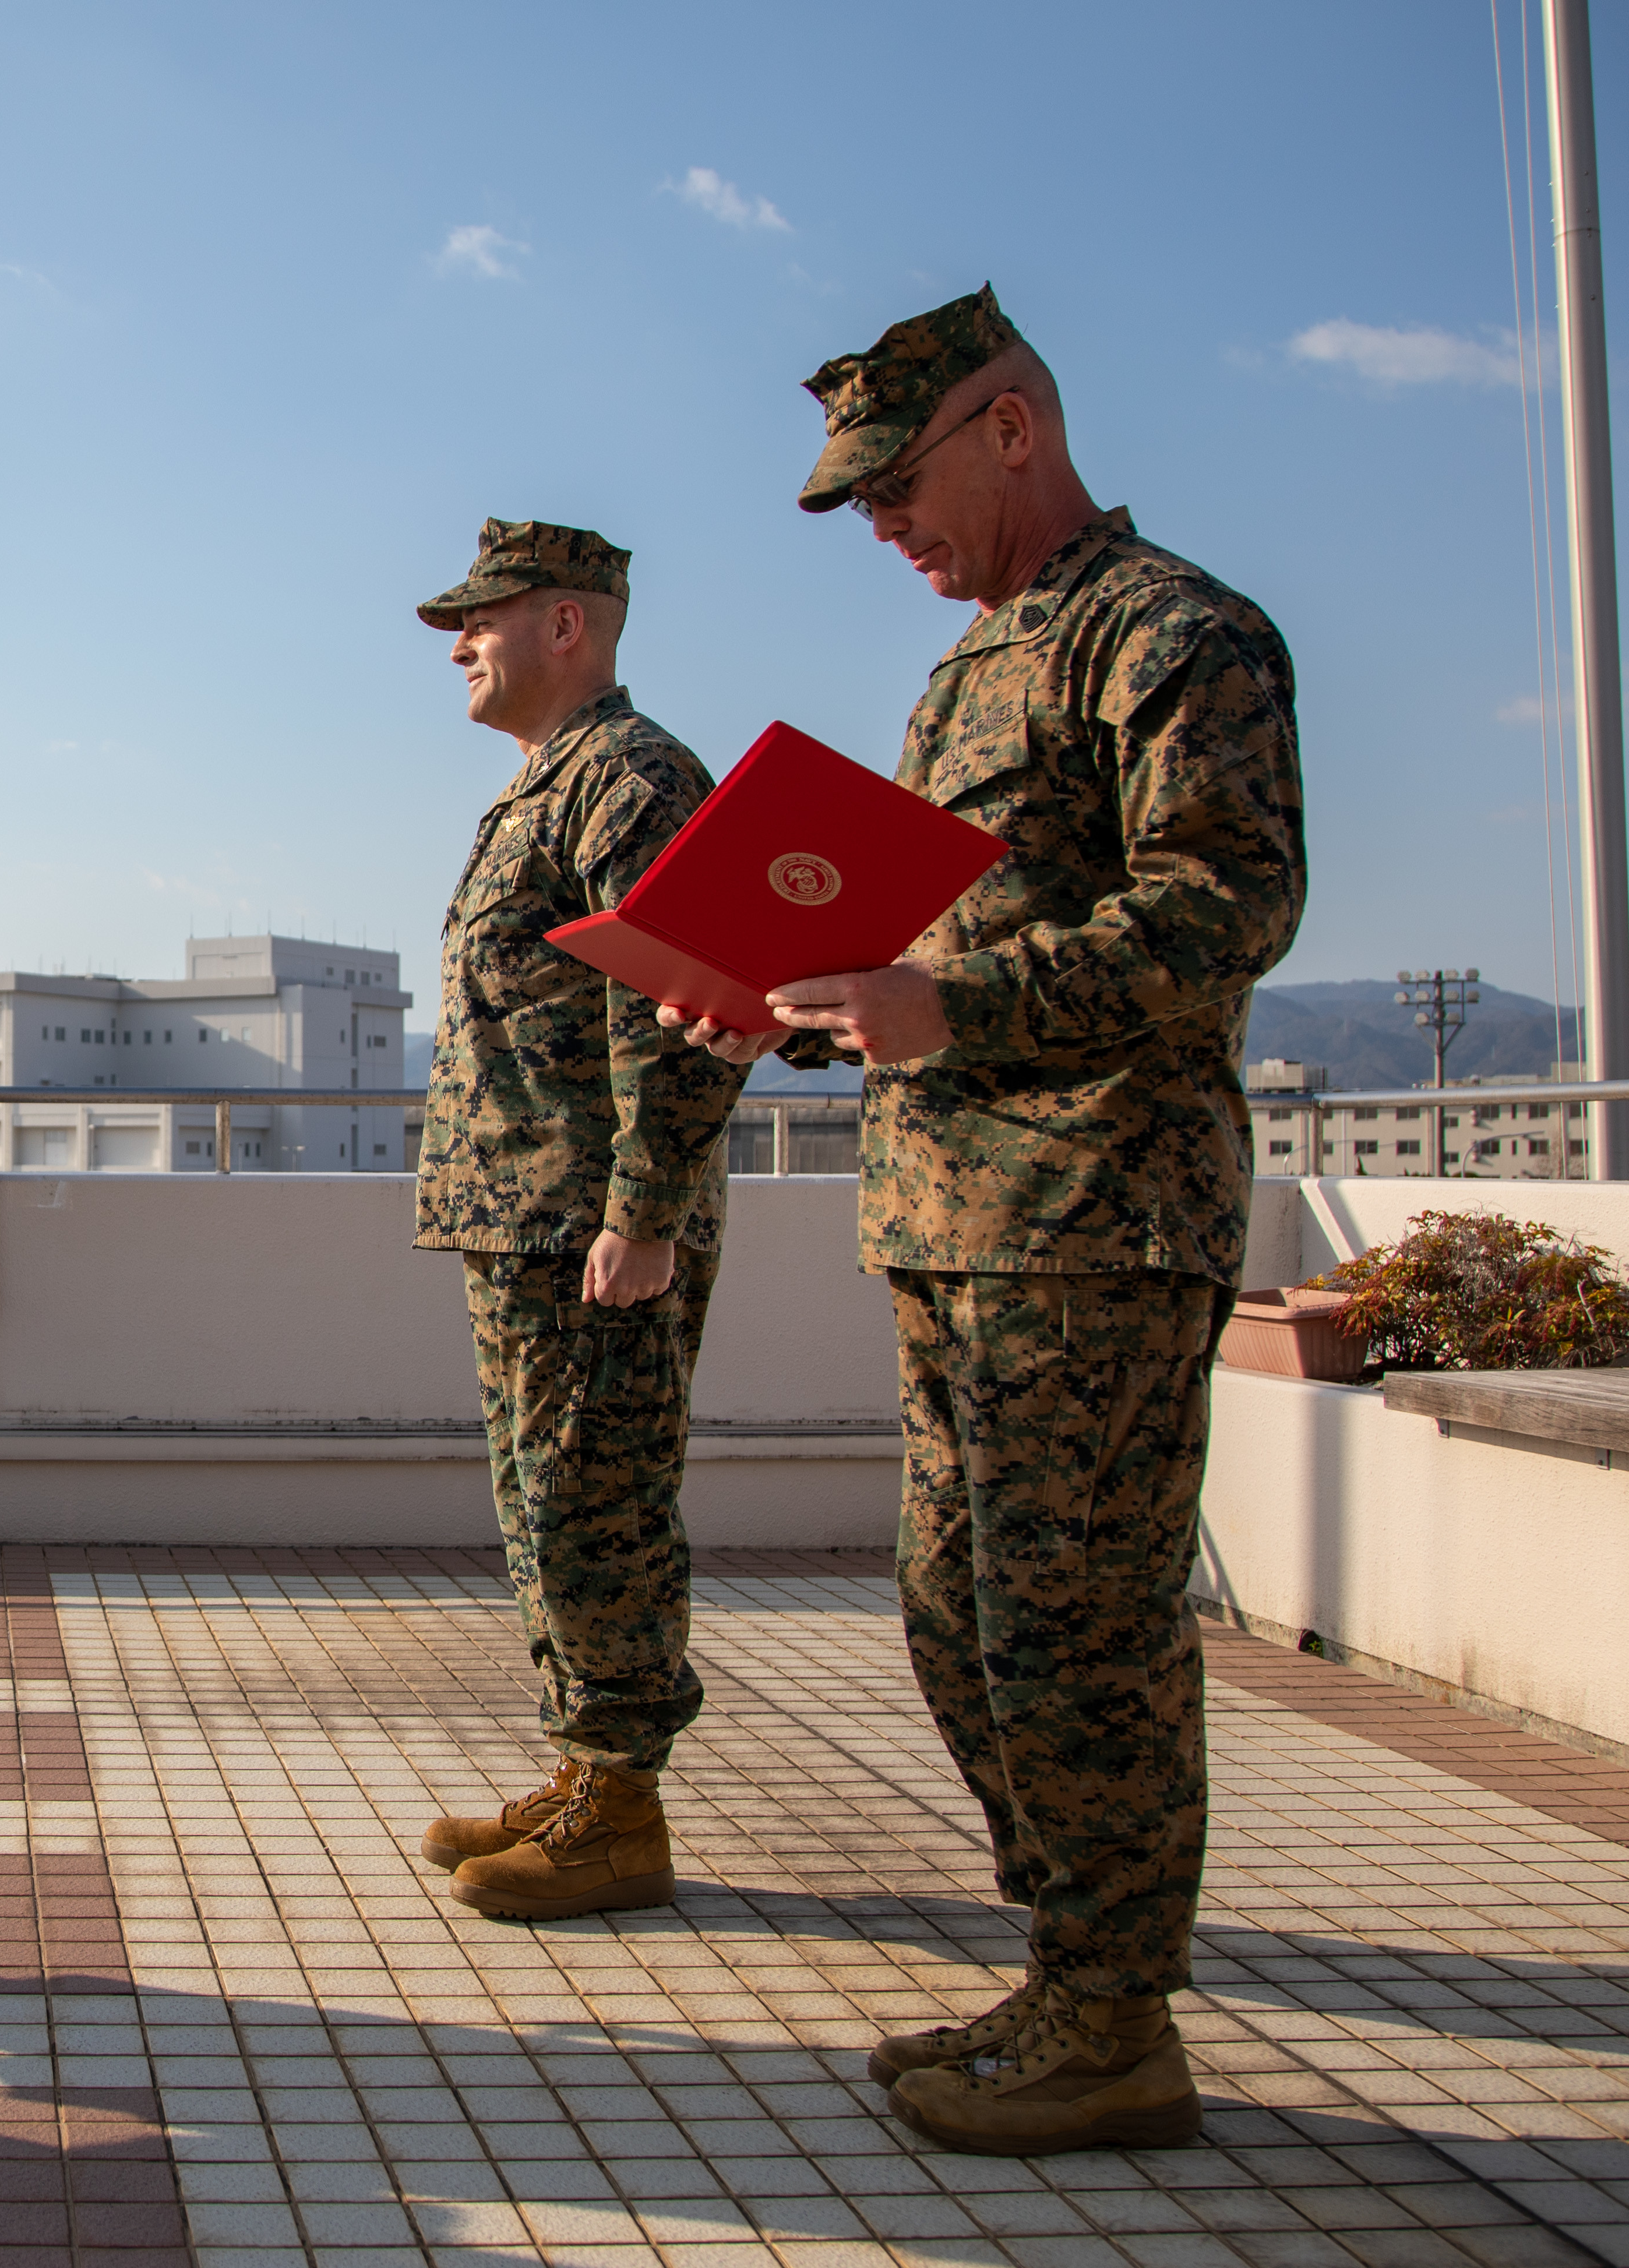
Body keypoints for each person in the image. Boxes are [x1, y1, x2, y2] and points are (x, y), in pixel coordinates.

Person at [670, 285, 1304, 2153]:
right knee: (960, 1620)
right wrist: (786, 996)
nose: (882, 525)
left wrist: (967, 1007)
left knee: (1078, 1624)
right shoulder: (971, 669)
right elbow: (938, 948)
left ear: (1011, 426)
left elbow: (1227, 904)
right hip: (954, 1219)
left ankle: (1120, 2018)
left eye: (897, 482)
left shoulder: (1175, 632)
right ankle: (1067, 1973)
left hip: (1101, 1221)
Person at [405, 519, 744, 1923]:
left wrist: (645, 1209)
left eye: (483, 618)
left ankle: (620, 1808)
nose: (458, 645)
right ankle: (585, 1772)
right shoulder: (547, 784)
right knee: (547, 1507)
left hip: (591, 1224)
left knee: (597, 1505)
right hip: (527, 1218)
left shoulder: (634, 778)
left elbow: (674, 1004)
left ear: (570, 624)